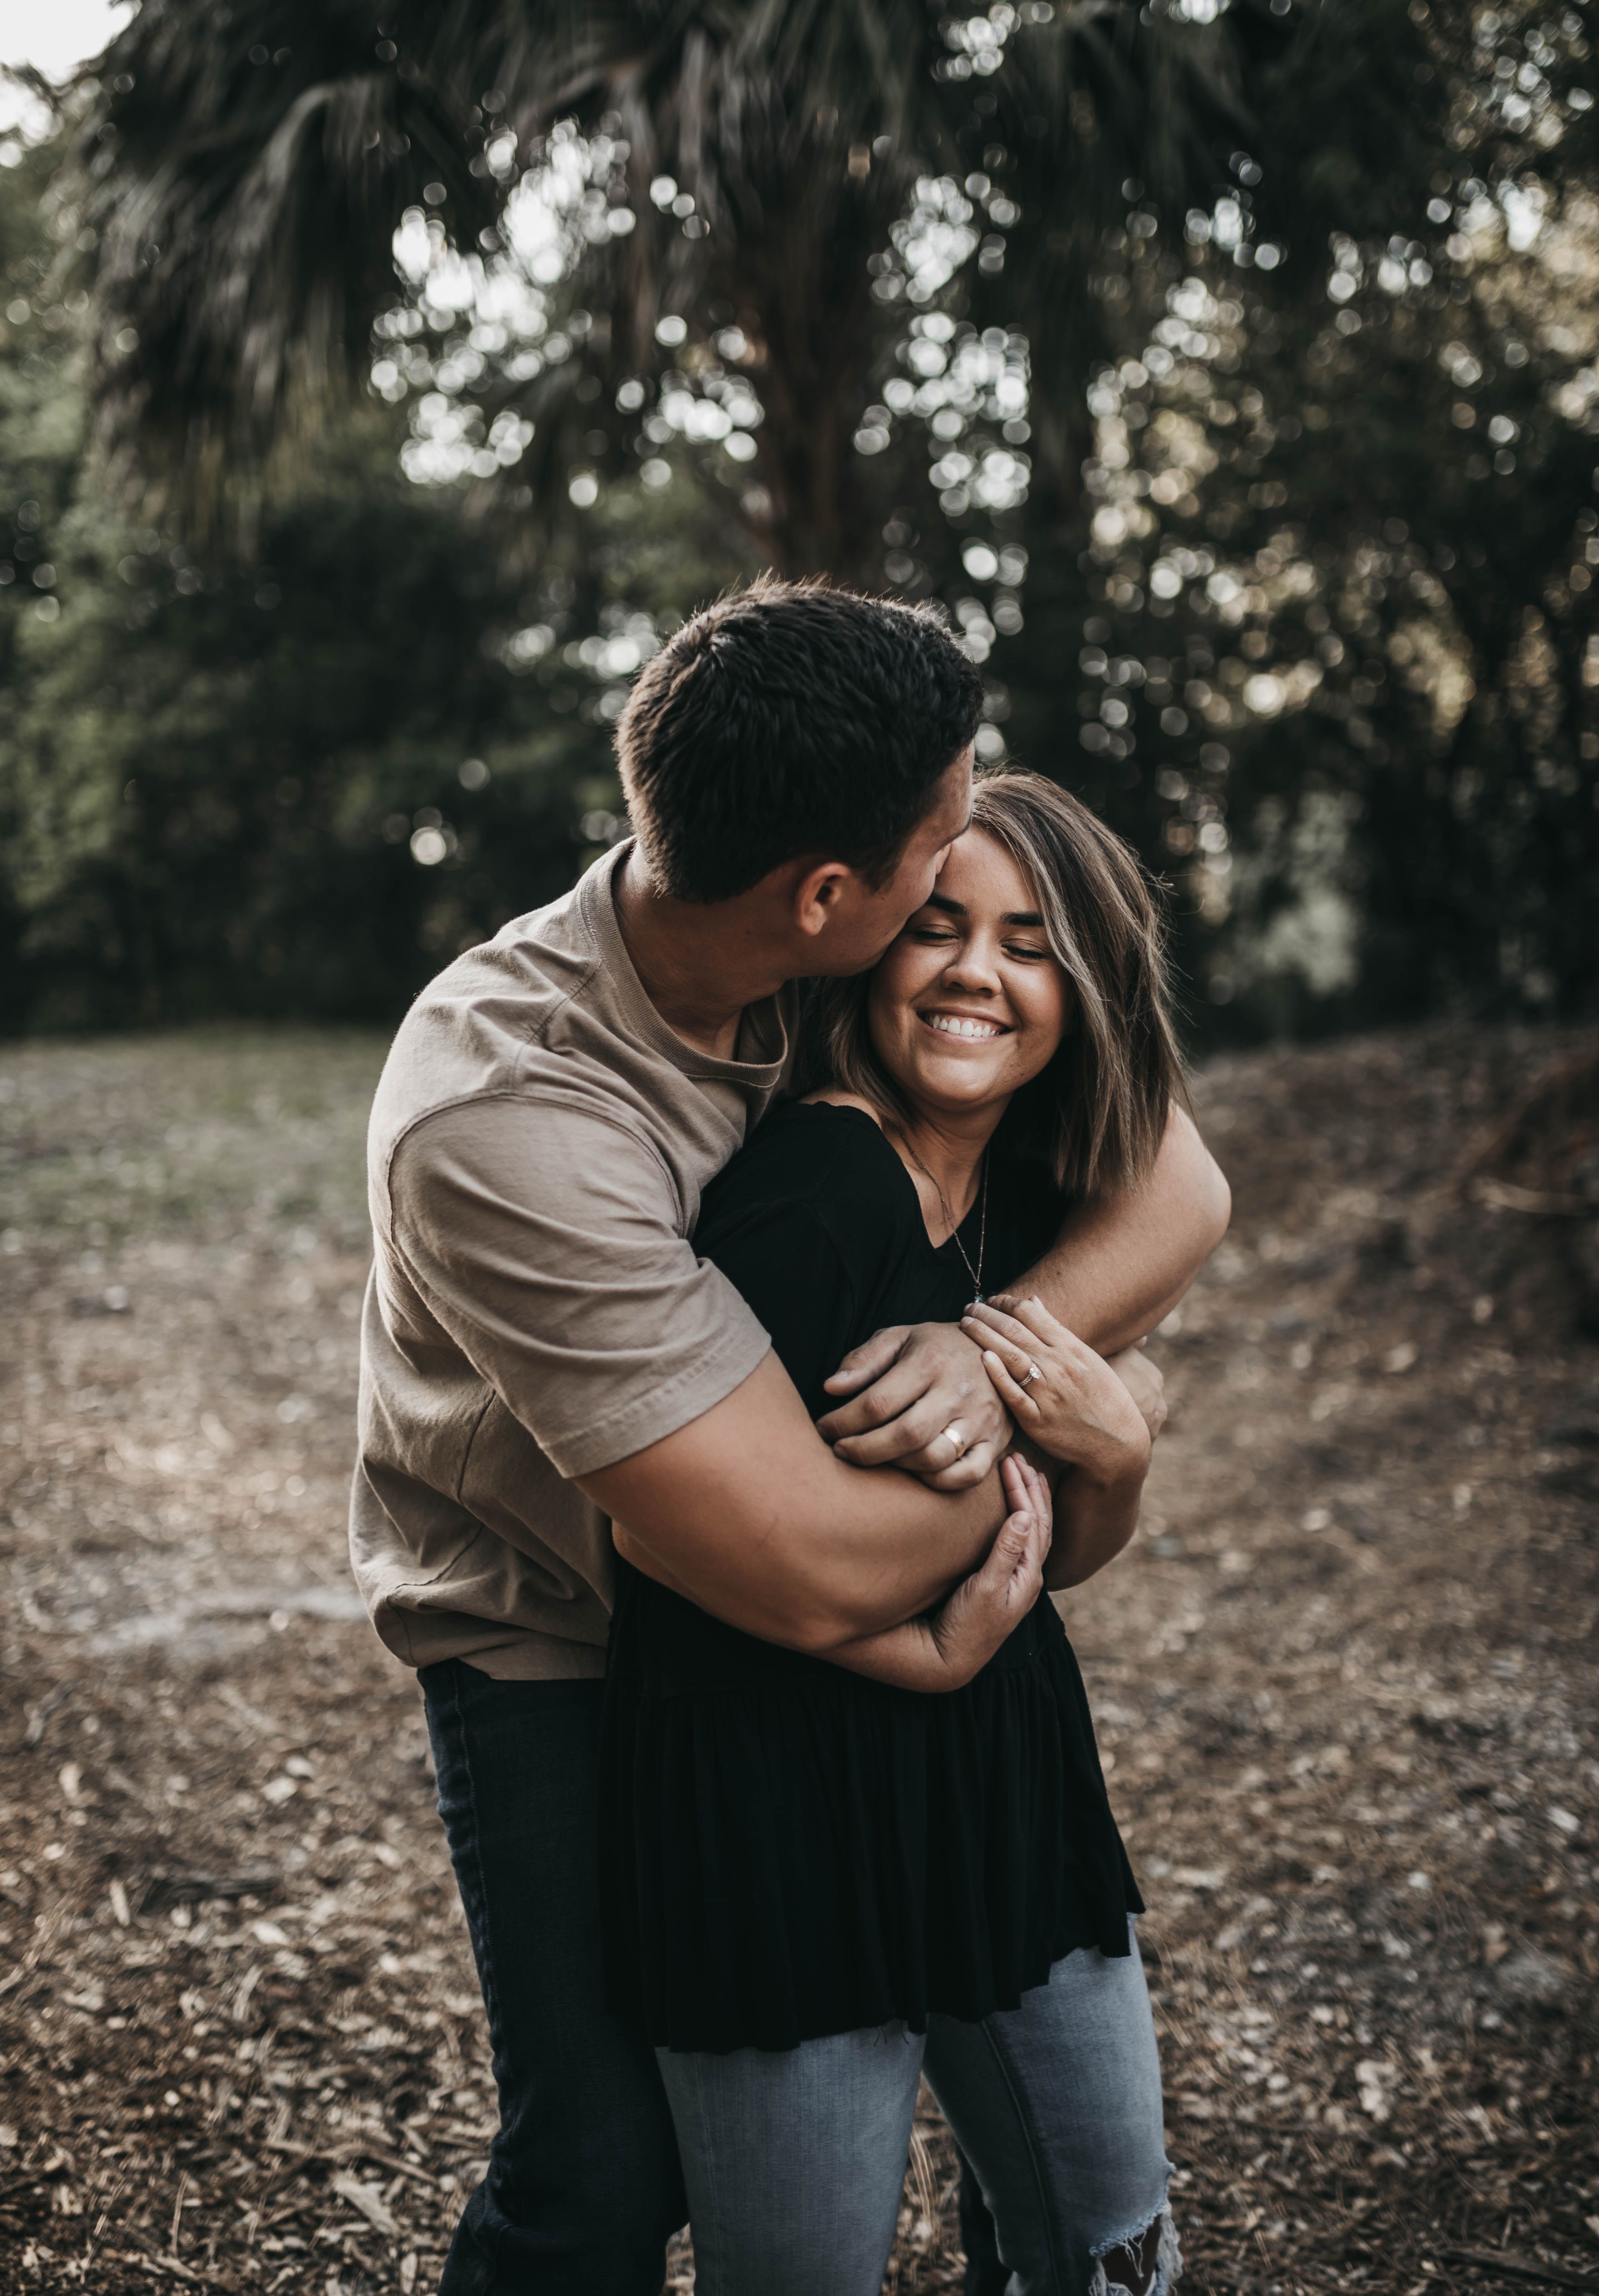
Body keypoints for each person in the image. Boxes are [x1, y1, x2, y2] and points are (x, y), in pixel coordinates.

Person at [349, 580, 1230, 2295]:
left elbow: (1171, 1173)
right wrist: (1072, 1447)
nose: (965, 874)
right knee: (604, 2174)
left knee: (1029, 2126)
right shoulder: (507, 1116)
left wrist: (992, 1372)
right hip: (562, 1634)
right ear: (831, 897)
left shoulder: (849, 956)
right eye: (939, 855)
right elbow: (807, 1564)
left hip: (852, 1622)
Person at [601, 769, 1186, 2296]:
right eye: (936, 927)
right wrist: (913, 1654)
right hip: (773, 1807)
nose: (977, 973)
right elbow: (668, 1546)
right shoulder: (812, 1191)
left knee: (1112, 2252)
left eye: (1029, 940)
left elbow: (1050, 1558)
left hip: (1008, 1784)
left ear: (1086, 984)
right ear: (867, 951)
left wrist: (1117, 1452)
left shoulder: (1035, 1197)